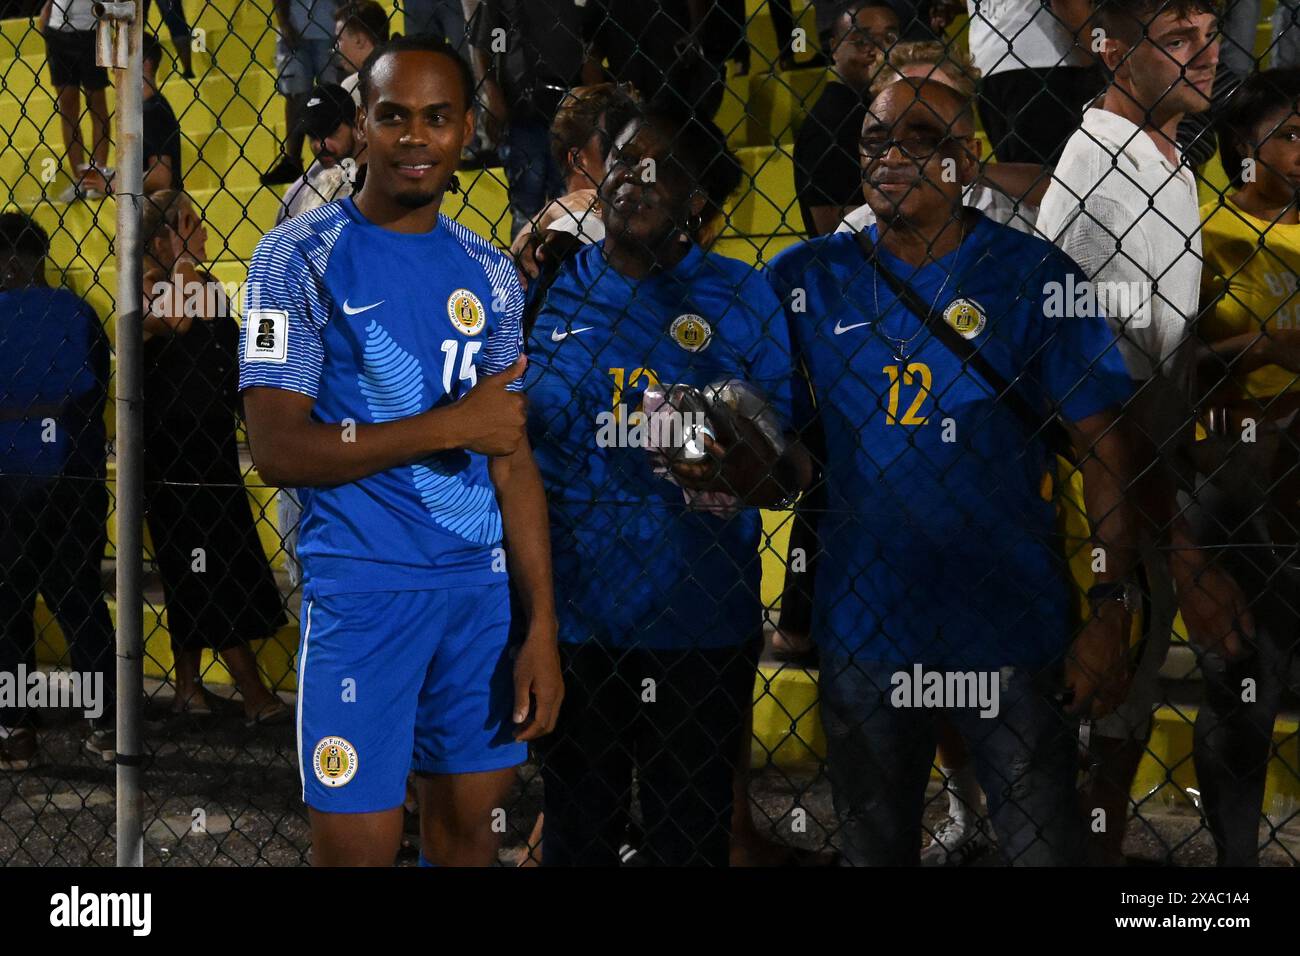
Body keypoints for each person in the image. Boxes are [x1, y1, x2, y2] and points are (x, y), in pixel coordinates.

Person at [769, 79, 1146, 866]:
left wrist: (1110, 605)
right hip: (865, 628)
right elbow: (779, 445)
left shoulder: (1034, 275)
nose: (892, 156)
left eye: (921, 138)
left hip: (1008, 626)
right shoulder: (805, 277)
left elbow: (1104, 445)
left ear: (967, 159)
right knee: (875, 848)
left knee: (1041, 846)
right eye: (876, 140)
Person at [238, 34, 562, 867]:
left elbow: (512, 456)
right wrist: (452, 426)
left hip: (479, 602)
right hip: (362, 593)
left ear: (465, 132)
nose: (416, 137)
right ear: (363, 126)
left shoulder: (489, 271)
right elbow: (277, 447)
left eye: (438, 118)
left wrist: (542, 628)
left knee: (467, 847)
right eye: (394, 116)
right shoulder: (297, 255)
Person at [525, 103, 809, 866]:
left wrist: (676, 433)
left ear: (696, 197)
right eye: (621, 159)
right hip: (578, 619)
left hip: (697, 616)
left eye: (662, 166)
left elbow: (781, 460)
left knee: (688, 839)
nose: (636, 177)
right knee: (578, 835)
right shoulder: (548, 289)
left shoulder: (743, 294)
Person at [1036, 0, 1257, 865]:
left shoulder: (1170, 157)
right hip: (1099, 505)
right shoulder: (1098, 173)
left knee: (1116, 735)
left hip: (1147, 484)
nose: (1204, 58)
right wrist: (1184, 556)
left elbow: (1159, 356)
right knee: (1092, 719)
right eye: (1177, 41)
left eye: (1209, 37)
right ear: (1112, 52)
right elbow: (1099, 401)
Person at [1190, 67, 1300, 865]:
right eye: (1291, 134)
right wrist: (1261, 348)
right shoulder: (1199, 225)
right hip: (1236, 457)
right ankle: (1233, 867)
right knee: (1243, 675)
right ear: (1241, 142)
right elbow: (1176, 358)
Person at [140, 191, 288, 725]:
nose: (202, 232)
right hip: (174, 458)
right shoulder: (148, 288)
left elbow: (229, 357)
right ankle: (253, 695)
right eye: (191, 224)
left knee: (196, 567)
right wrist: (180, 262)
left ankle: (187, 690)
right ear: (167, 234)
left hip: (208, 449)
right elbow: (173, 323)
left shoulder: (203, 288)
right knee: (207, 569)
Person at [0, 212, 115, 769]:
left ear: (9, 262)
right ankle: (109, 722)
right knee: (79, 597)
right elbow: (96, 390)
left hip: (8, 481)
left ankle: (16, 729)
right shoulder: (78, 311)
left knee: (8, 604)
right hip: (72, 476)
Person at [466, 0, 593, 237]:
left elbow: (592, 43)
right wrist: (492, 94)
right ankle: (524, 267)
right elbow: (485, 48)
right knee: (527, 204)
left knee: (568, 203)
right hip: (522, 110)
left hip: (570, 110)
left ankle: (558, 265)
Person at [793, 1, 900, 235]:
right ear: (834, 47)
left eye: (890, 38)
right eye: (861, 40)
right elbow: (835, 231)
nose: (878, 50)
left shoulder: (872, 111)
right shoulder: (833, 122)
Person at [966, 0, 1101, 164]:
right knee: (1057, 174)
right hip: (1045, 60)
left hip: (988, 61)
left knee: (1024, 174)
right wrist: (1098, 57)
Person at [262, 0, 340, 186]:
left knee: (333, 93)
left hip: (329, 22)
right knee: (297, 95)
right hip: (297, 23)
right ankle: (293, 160)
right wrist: (284, 22)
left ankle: (335, 153)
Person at [40, 0, 112, 201]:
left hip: (92, 29)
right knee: (68, 109)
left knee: (97, 105)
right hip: (57, 30)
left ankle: (97, 177)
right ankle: (79, 180)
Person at [276, 82, 363, 224]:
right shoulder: (297, 196)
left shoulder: (382, 180)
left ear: (356, 125)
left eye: (330, 132)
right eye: (313, 135)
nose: (320, 145)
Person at [141, 33, 184, 194]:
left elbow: (161, 177)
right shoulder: (154, 107)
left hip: (159, 212)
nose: (113, 72)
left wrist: (115, 183)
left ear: (144, 64)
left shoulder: (151, 112)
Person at [334, 0, 390, 105]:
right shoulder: (405, 70)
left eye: (339, 39)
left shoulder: (352, 86)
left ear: (360, 40)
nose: (335, 47)